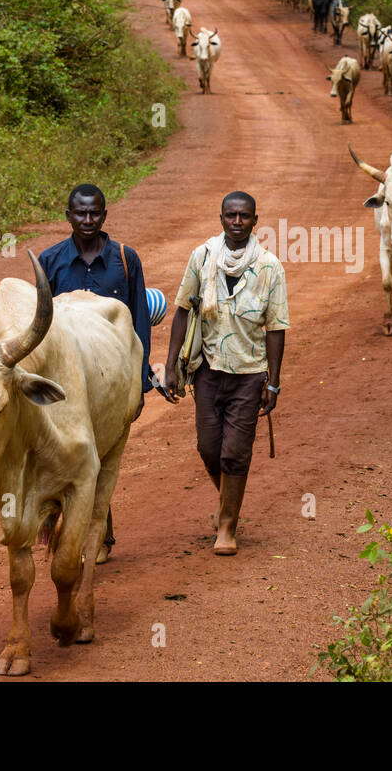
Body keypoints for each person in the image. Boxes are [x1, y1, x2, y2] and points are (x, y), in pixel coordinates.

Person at [164, 192, 288, 555]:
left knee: (235, 452)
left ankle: (227, 527)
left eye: (244, 216)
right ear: (221, 218)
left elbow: (277, 328)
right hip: (206, 371)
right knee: (209, 447)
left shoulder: (269, 267)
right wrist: (172, 364)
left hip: (249, 373)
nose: (237, 222)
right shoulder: (202, 257)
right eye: (231, 216)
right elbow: (183, 310)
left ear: (254, 220)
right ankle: (227, 504)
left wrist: (274, 382)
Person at [38, 183, 152, 564]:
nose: (88, 220)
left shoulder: (125, 259)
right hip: (66, 380)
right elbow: (38, 328)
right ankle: (89, 533)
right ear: (67, 215)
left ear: (105, 215)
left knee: (101, 453)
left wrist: (141, 381)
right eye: (80, 213)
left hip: (111, 378)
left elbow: (138, 323)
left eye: (95, 213)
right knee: (73, 456)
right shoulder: (50, 261)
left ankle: (98, 534)